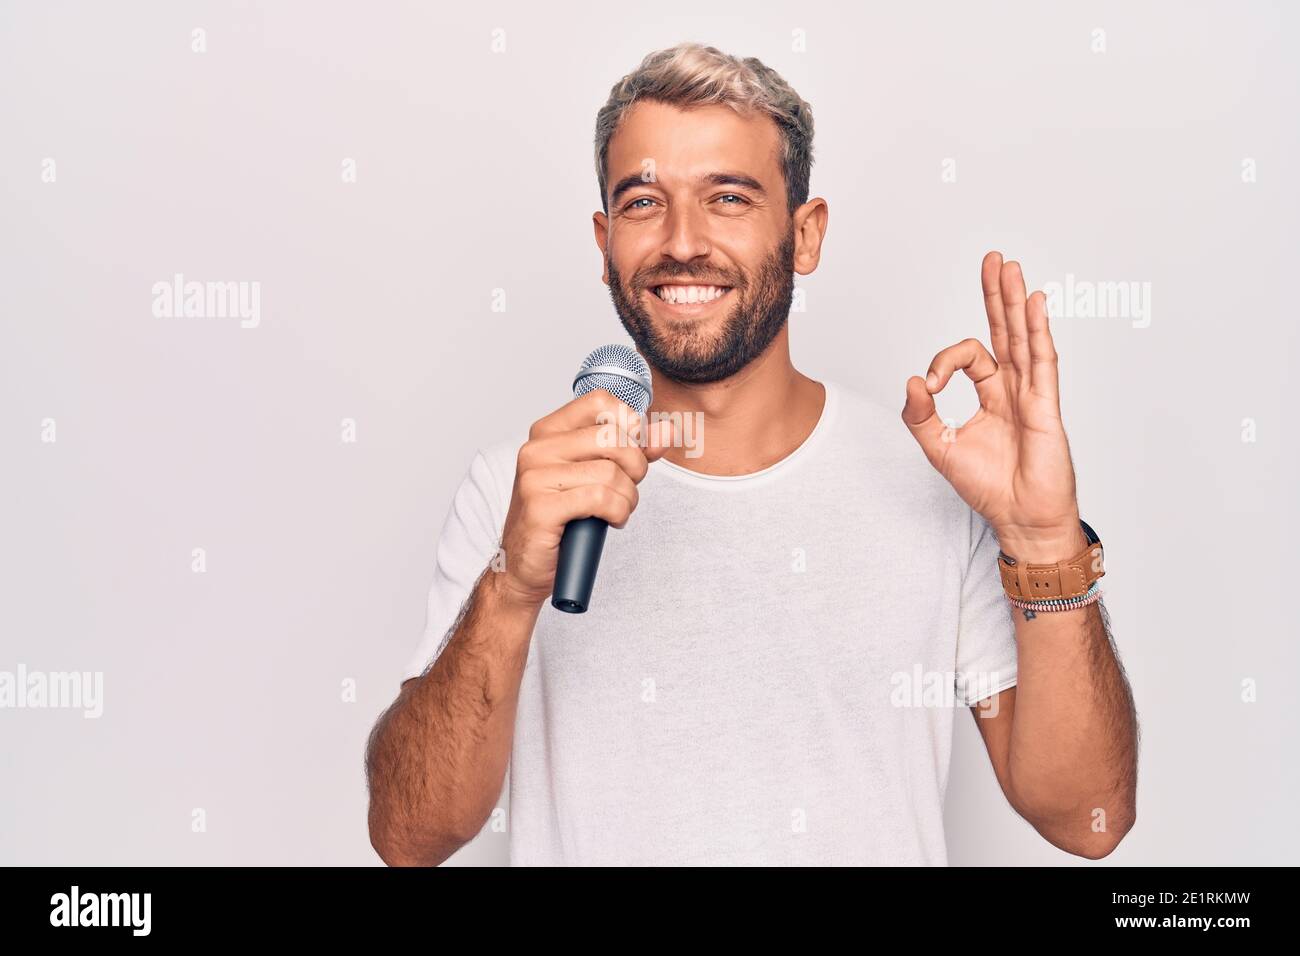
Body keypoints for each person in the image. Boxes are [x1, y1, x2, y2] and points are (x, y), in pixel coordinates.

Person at [365, 42, 1138, 866]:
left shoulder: (932, 485)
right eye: (641, 203)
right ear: (603, 243)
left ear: (805, 235)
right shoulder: (516, 492)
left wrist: (1048, 544)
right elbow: (410, 838)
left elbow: (1086, 815)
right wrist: (512, 588)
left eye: (728, 198)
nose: (682, 241)